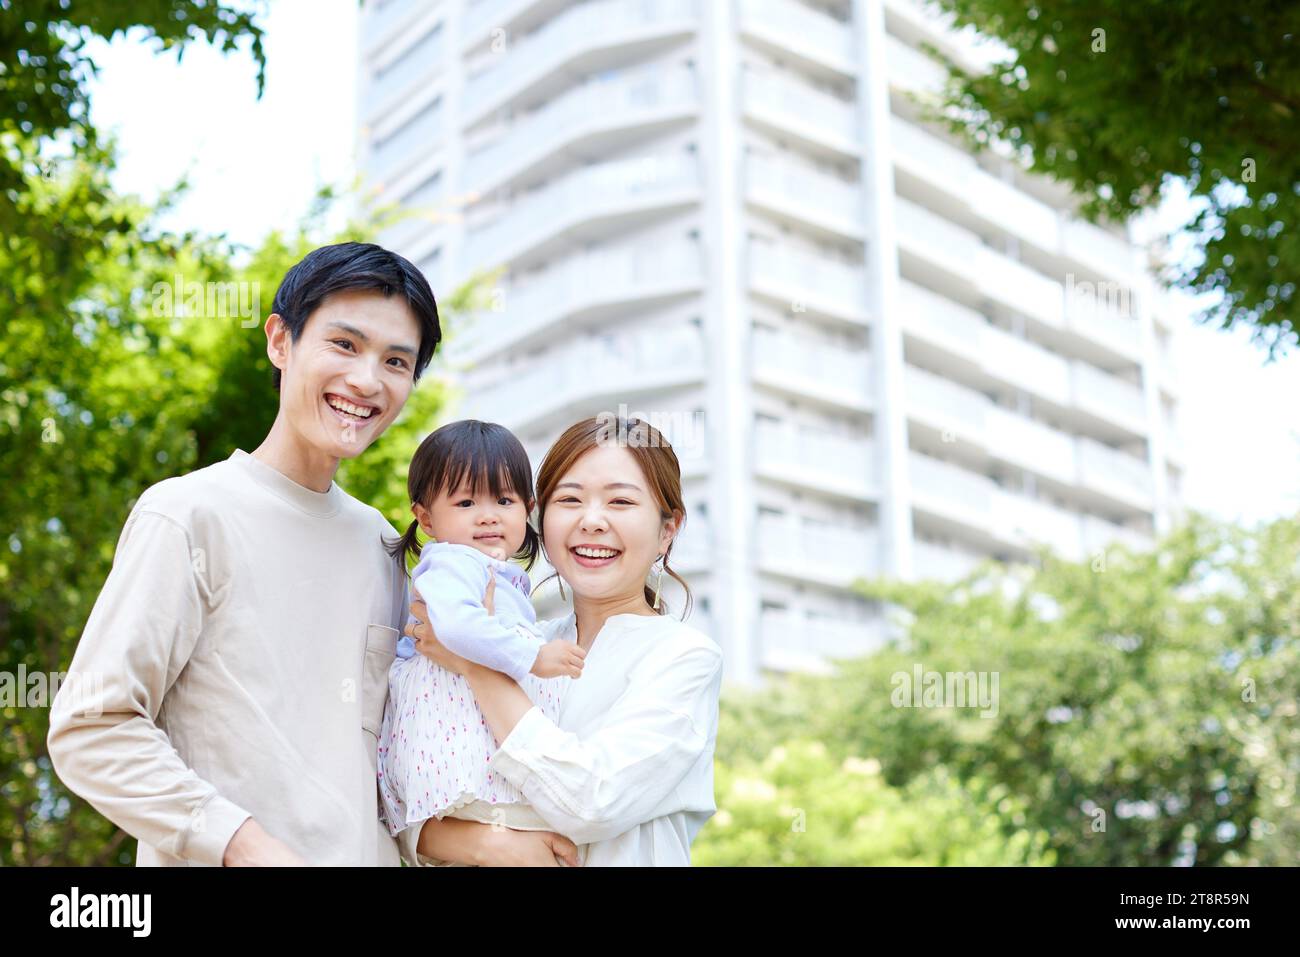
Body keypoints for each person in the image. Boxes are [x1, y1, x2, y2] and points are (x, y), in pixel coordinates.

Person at [45, 241, 579, 868]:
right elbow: (92, 727)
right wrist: (246, 848)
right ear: (280, 341)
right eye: (344, 344)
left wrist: (486, 839)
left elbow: (402, 748)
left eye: (396, 361)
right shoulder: (189, 515)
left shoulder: (384, 544)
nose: (366, 380)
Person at [401, 415, 724, 866]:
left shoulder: (682, 657)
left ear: (667, 530)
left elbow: (591, 802)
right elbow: (412, 800)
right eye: (570, 499)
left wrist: (475, 664)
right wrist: (491, 843)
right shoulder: (521, 638)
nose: (592, 521)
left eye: (621, 502)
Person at [377, 419, 585, 842]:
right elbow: (455, 626)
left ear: (527, 509)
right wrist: (534, 656)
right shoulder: (454, 561)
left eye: (504, 500)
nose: (488, 516)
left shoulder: (498, 571)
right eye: (466, 503)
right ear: (426, 518)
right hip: (443, 706)